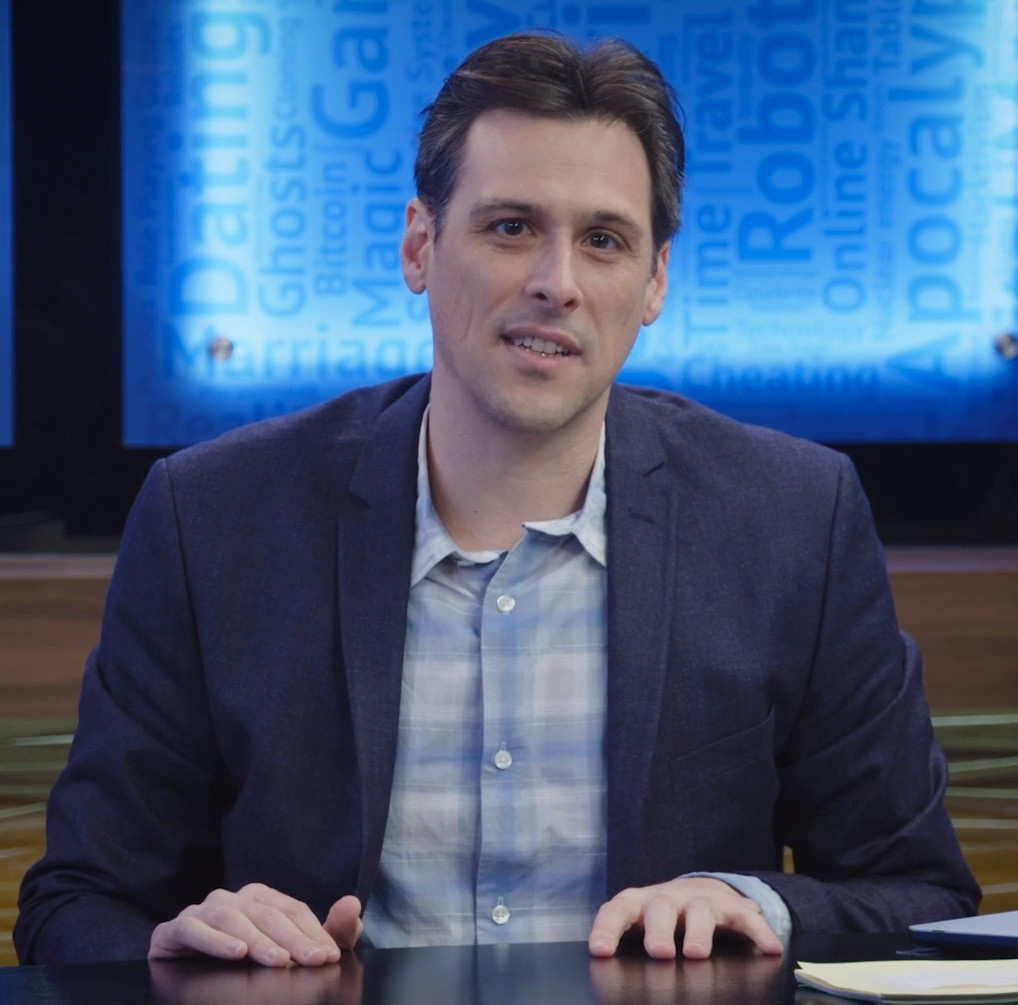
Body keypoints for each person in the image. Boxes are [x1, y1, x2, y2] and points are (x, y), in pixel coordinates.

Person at [16, 32, 979, 967]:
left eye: (603, 240)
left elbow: (919, 892)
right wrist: (173, 949)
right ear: (420, 245)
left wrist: (752, 903)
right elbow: (76, 903)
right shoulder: (212, 516)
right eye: (511, 227)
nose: (557, 283)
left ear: (655, 282)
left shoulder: (794, 518)